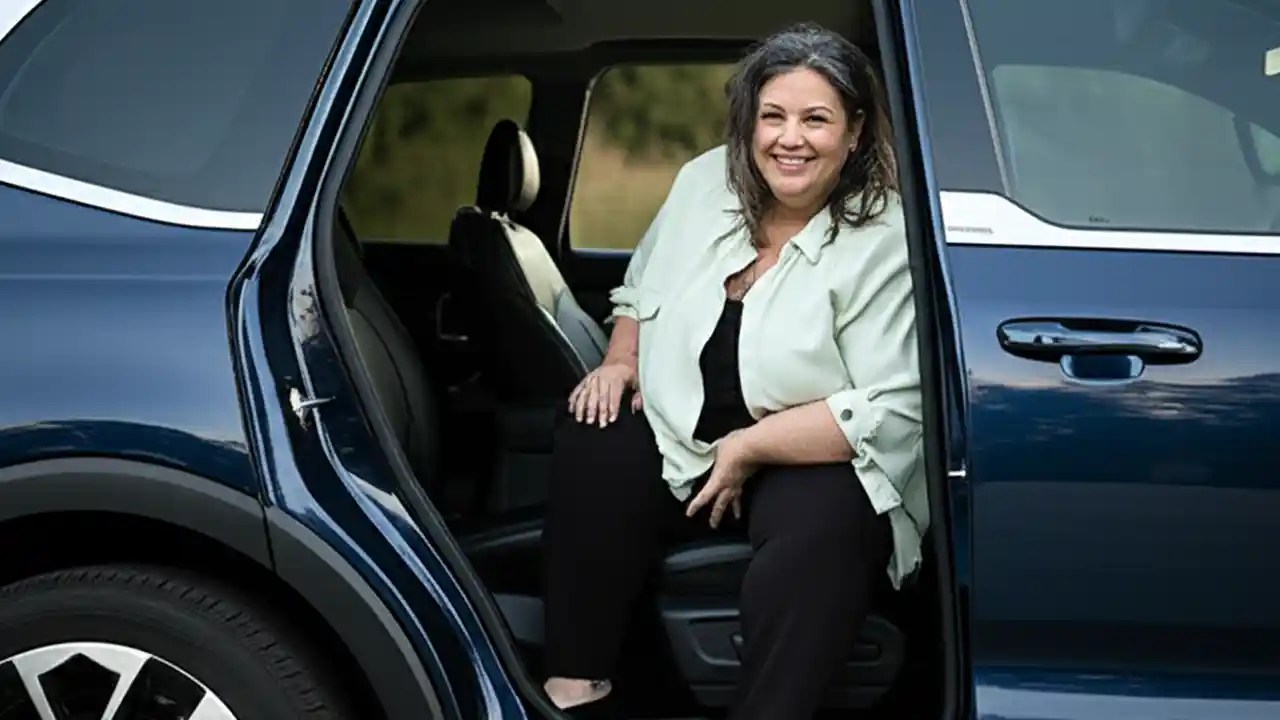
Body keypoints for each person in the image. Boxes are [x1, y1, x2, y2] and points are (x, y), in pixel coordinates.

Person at [541, 22, 927, 720]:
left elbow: (891, 408)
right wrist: (621, 361)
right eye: (772, 116)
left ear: (855, 132)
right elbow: (640, 292)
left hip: (809, 453)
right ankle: (578, 689)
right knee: (595, 431)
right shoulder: (702, 183)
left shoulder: (888, 238)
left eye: (816, 120)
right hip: (679, 432)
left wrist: (750, 446)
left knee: (829, 522)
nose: (790, 139)